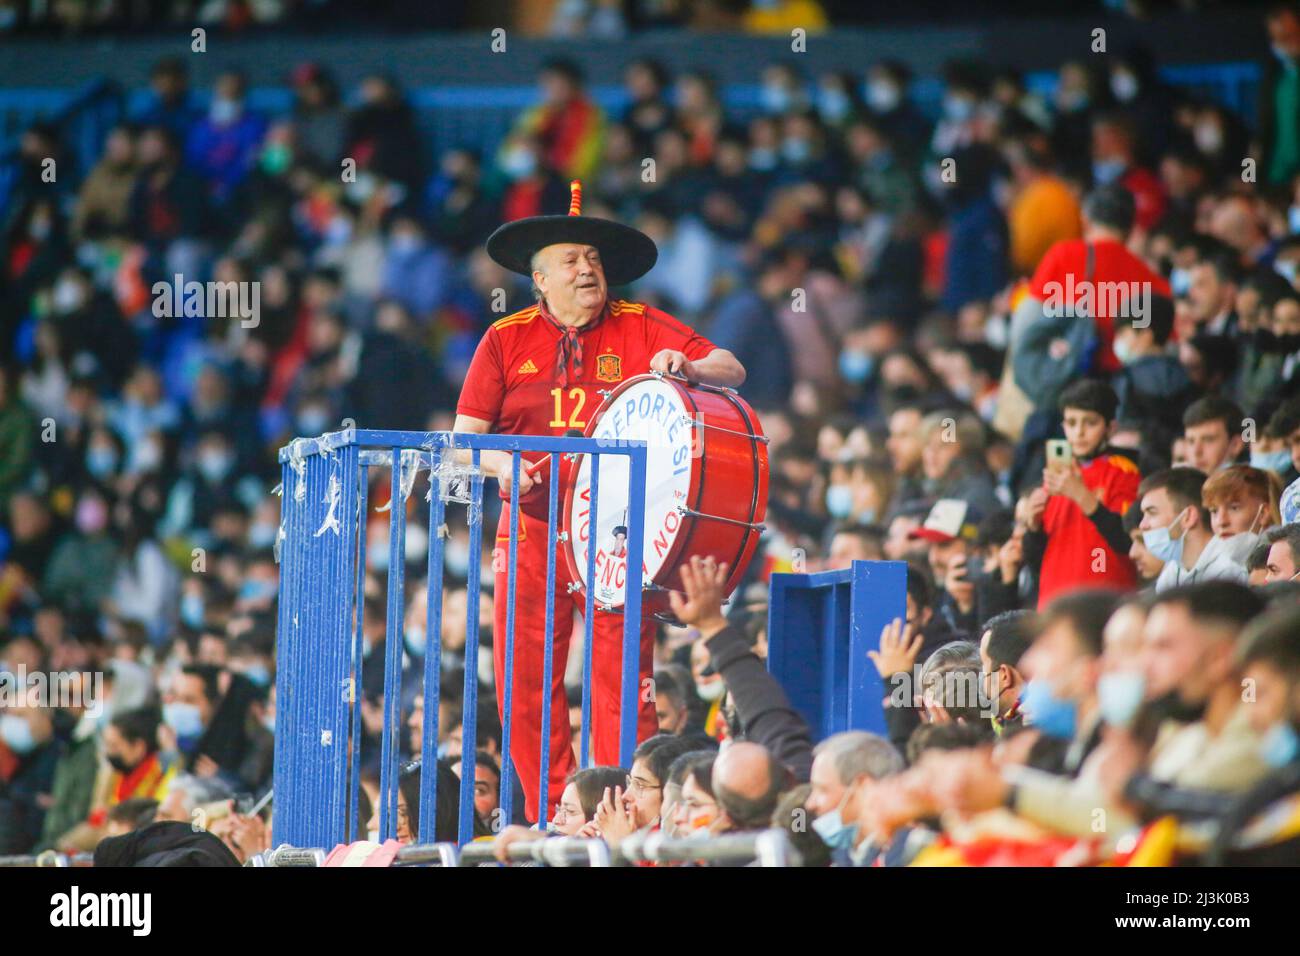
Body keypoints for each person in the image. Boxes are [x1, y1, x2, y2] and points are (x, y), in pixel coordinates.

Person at [453, 180, 744, 822]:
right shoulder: (503, 339)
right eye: (571, 260)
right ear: (539, 280)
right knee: (523, 685)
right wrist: (502, 465)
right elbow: (460, 444)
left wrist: (690, 368)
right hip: (530, 531)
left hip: (618, 535)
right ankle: (555, 812)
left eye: (594, 259)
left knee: (624, 679)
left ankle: (620, 810)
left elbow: (732, 367)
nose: (588, 269)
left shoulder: (642, 325)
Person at [1026, 379, 1140, 606]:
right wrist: (1032, 525)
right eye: (1071, 422)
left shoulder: (1125, 472)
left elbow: (1126, 540)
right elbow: (1035, 560)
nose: (1079, 432)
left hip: (1105, 602)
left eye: (1090, 423)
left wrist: (1081, 495)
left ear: (1110, 427)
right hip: (1054, 603)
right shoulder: (1053, 476)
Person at [805, 730, 904, 864]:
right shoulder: (845, 858)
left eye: (822, 790)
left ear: (864, 788)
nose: (810, 804)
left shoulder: (912, 856)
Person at [1183, 396, 1245, 475]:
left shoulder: (1252, 486)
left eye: (1208, 440)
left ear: (1235, 445)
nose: (1196, 451)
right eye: (1191, 441)